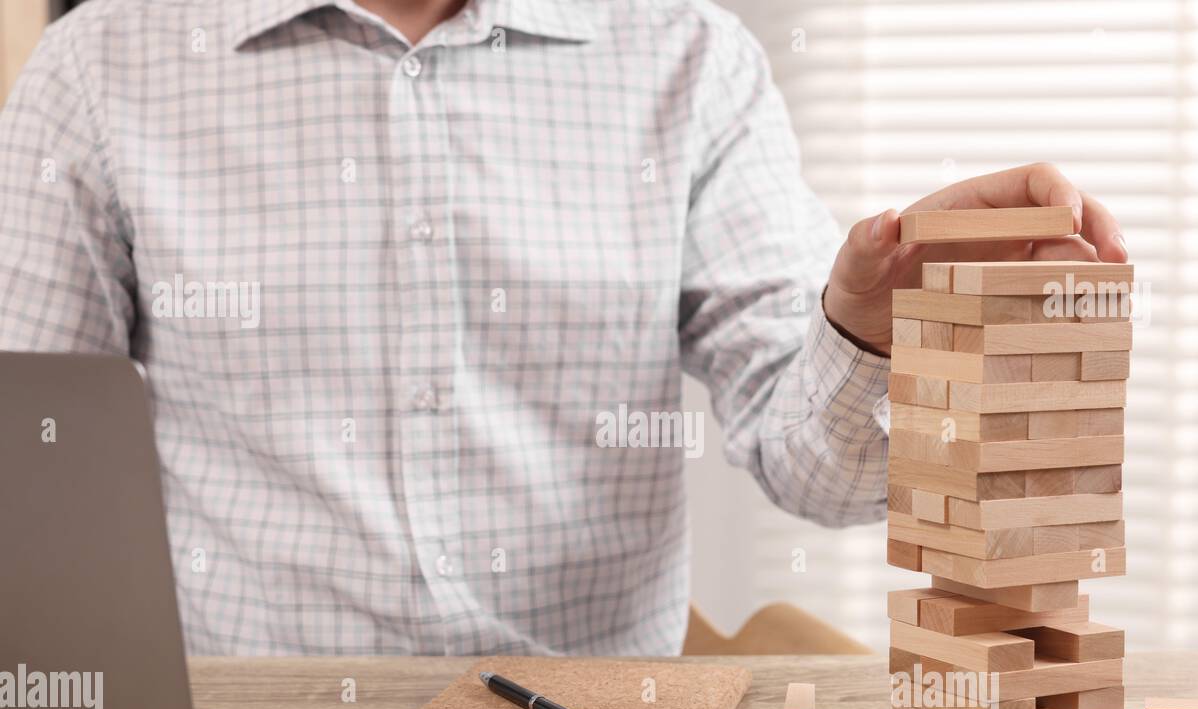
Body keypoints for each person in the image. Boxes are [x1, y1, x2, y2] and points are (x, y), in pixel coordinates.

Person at [0, 0, 1126, 656]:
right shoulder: (103, 68)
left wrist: (868, 326)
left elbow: (818, 475)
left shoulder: (689, 60)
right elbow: (29, 485)